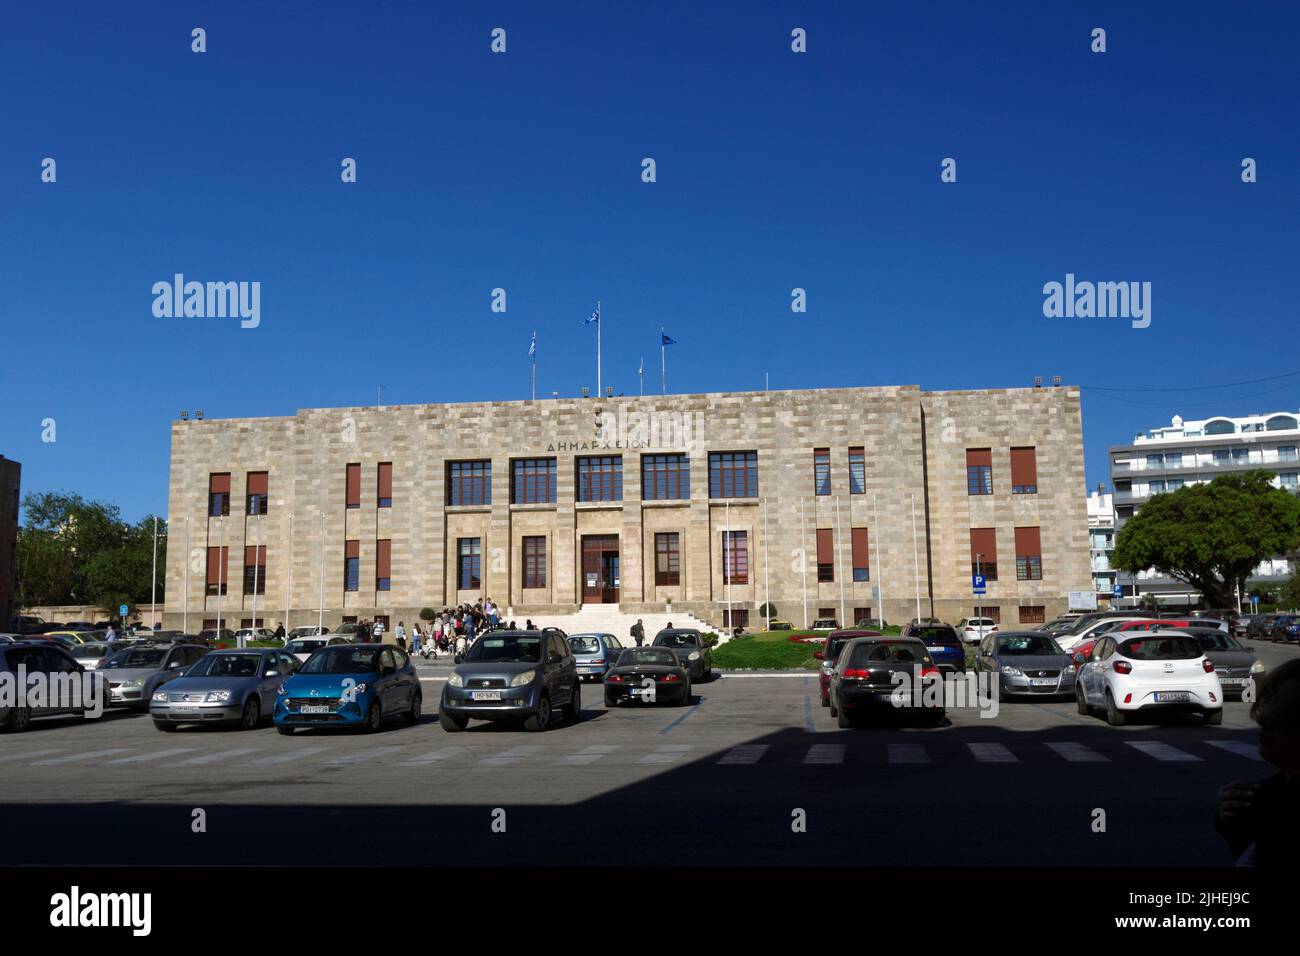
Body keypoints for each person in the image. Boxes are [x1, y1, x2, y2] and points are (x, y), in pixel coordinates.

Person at [1216, 660, 1300, 866]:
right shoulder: (1266, 793)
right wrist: (1232, 822)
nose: (1262, 721)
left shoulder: (1277, 801)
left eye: (1280, 717)